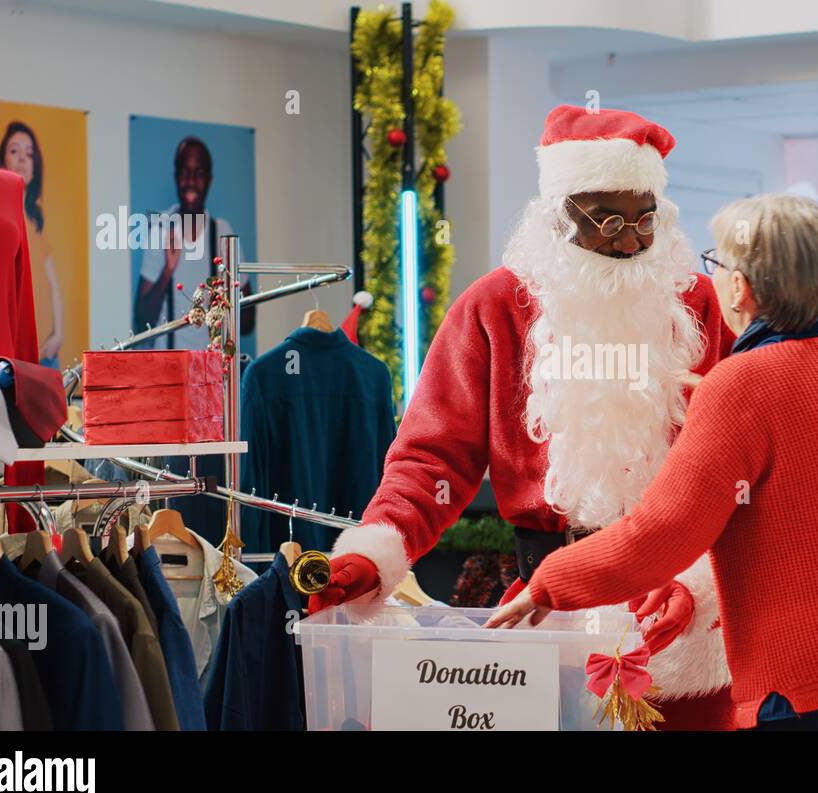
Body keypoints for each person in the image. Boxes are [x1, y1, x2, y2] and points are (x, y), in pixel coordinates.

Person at [309, 105, 738, 730]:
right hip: (546, 615)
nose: (630, 242)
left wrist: (701, 579)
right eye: (609, 220)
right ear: (560, 216)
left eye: (646, 219)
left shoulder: (694, 302)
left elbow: (731, 463)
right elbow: (433, 458)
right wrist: (378, 551)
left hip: (677, 616)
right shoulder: (494, 309)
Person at [488, 193, 818, 731]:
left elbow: (660, 536)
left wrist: (550, 582)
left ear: (740, 286)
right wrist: (721, 401)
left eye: (717, 264)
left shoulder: (740, 385)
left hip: (816, 682)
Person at [134, 136, 253, 349]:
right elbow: (142, 321)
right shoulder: (161, 229)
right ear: (176, 177)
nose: (191, 181)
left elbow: (247, 324)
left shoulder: (222, 233)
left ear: (209, 179)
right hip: (168, 373)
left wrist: (226, 288)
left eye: (198, 173)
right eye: (184, 172)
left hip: (212, 374)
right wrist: (167, 271)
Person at [0, 122, 63, 368]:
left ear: (35, 168)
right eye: (14, 151)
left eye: (29, 153)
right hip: (13, 355)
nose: (23, 158)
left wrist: (58, 335)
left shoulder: (34, 221)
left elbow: (53, 284)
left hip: (47, 352)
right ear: (1, 164)